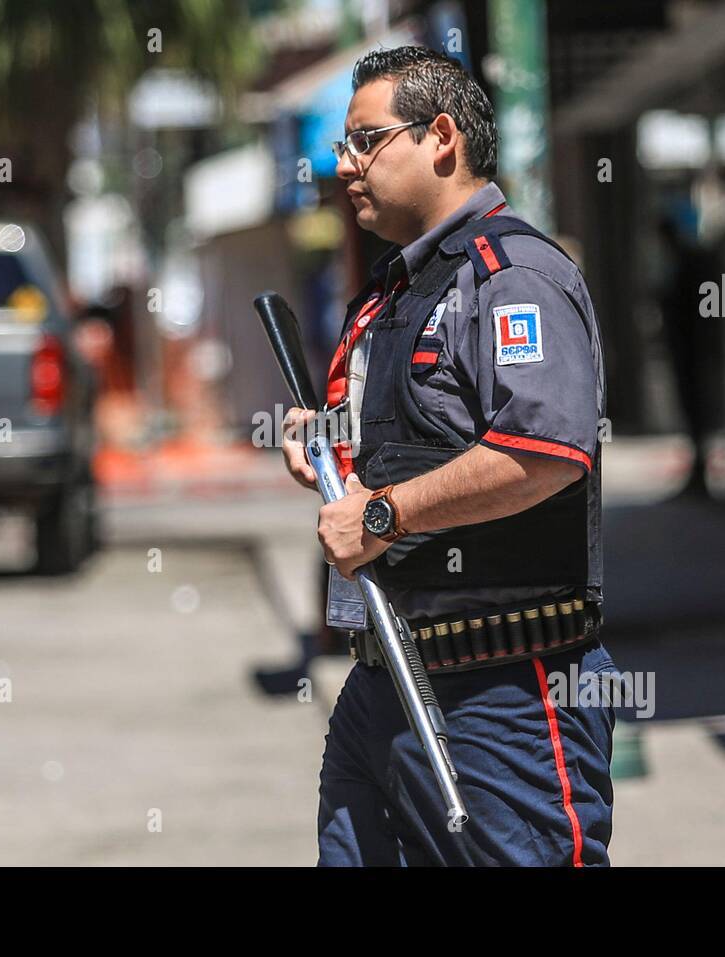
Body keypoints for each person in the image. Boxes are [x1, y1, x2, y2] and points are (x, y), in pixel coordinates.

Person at [279, 46, 620, 866]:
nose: (346, 165)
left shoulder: (514, 275)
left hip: (506, 690)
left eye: (366, 141)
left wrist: (380, 516)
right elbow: (405, 442)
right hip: (384, 684)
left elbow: (544, 452)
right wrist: (325, 445)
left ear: (440, 137)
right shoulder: (393, 292)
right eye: (344, 146)